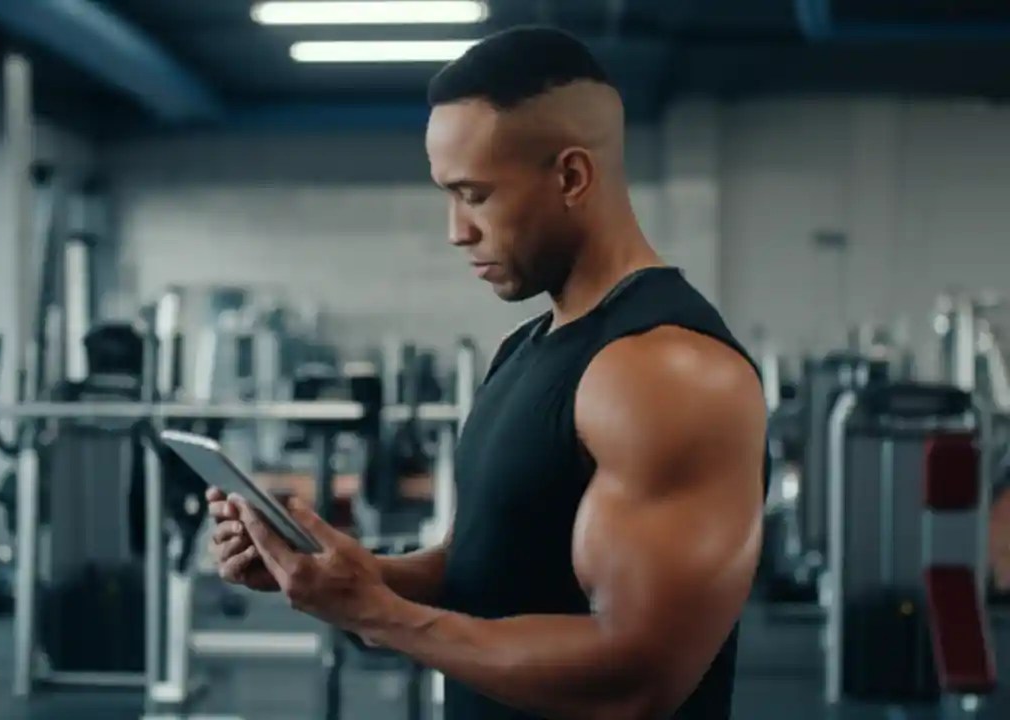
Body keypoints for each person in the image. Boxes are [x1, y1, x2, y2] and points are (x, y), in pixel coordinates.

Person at [206, 26, 767, 720]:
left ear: (571, 176)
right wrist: (337, 570)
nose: (455, 230)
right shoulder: (529, 346)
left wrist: (379, 614)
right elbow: (481, 570)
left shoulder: (667, 373)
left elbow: (637, 679)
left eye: (475, 194)